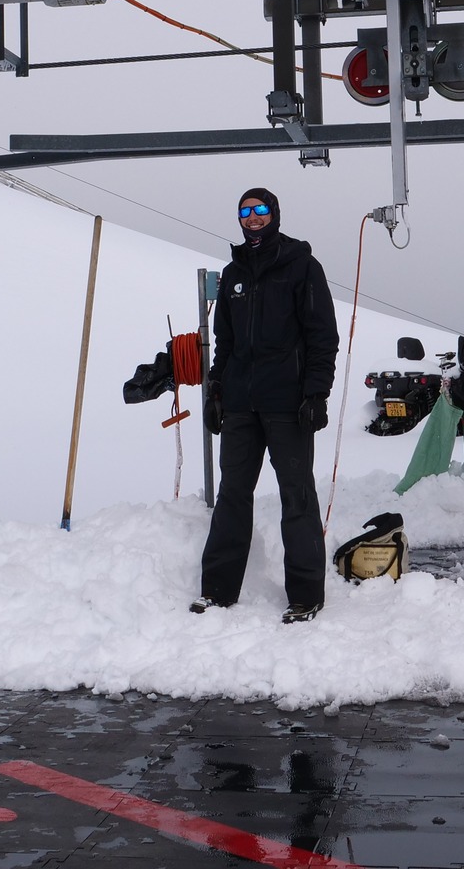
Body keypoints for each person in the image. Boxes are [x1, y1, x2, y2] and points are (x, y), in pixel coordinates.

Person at [193, 186, 339, 623]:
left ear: (274, 214)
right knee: (232, 495)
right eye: (245, 211)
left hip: (288, 405)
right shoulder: (233, 274)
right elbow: (226, 343)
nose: (252, 217)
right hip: (241, 404)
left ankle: (306, 595)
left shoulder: (302, 267)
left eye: (260, 211)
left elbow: (322, 337)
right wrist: (216, 391)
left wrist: (316, 394)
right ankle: (217, 591)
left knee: (296, 497)